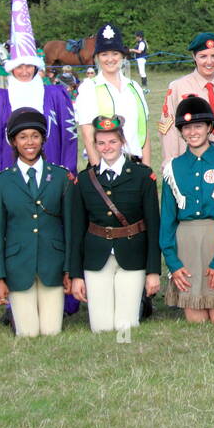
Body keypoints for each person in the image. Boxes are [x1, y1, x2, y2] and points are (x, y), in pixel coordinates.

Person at [0, 0, 76, 291]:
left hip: (52, 174)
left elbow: (70, 135)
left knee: (55, 229)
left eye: (28, 66)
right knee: (12, 229)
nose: (23, 71)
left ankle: (62, 293)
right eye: (18, 66)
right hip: (10, 175)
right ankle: (10, 288)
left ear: (36, 66)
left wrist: (65, 173)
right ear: (11, 68)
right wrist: (8, 180)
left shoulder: (56, 95)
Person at [67, 115, 161, 333]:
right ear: (94, 145)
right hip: (96, 257)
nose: (107, 147)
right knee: (100, 327)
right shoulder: (84, 181)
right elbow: (77, 230)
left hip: (132, 255)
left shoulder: (142, 176)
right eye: (101, 142)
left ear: (122, 142)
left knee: (125, 326)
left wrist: (153, 271)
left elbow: (153, 226)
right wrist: (76, 275)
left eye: (112, 141)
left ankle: (126, 360)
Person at [0, 107, 74, 338]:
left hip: (52, 265)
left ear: (43, 139)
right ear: (13, 142)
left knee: (51, 330)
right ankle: (16, 314)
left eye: (35, 136)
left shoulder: (61, 177)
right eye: (22, 137)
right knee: (28, 333)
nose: (29, 142)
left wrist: (68, 269)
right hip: (18, 267)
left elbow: (71, 230)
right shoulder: (1, 182)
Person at [158, 95, 214, 324]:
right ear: (180, 131)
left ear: (209, 128)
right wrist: (173, 263)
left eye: (198, 126)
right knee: (196, 320)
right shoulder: (173, 168)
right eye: (186, 127)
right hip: (186, 244)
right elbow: (167, 219)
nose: (192, 132)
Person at [159, 32, 214, 162]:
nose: (209, 62)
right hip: (192, 163)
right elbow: (169, 129)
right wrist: (171, 160)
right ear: (194, 57)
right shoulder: (178, 88)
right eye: (203, 56)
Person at [75, 23, 150, 167]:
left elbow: (144, 133)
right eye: (104, 54)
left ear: (122, 55)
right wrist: (99, 176)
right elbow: (88, 136)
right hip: (105, 167)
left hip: (136, 166)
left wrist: (147, 171)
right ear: (97, 57)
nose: (110, 59)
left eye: (115, 53)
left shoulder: (134, 87)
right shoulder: (89, 88)